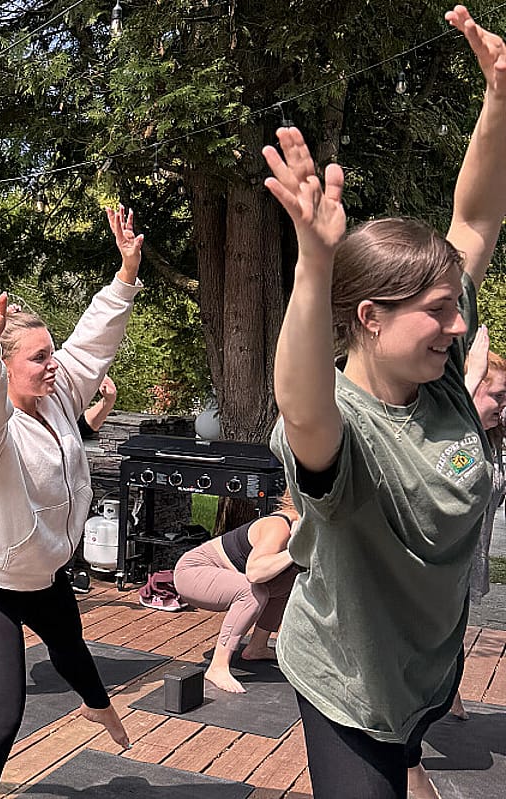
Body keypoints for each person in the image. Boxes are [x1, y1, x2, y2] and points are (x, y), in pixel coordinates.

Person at [262, 7, 506, 797]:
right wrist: (313, 262)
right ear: (368, 317)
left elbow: (472, 219)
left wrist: (499, 102)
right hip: (349, 679)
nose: (459, 324)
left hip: (423, 663)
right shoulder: (347, 428)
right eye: (437, 310)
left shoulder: (437, 375)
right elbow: (301, 408)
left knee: (408, 759)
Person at [0, 206, 142, 799]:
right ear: (4, 366)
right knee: (3, 717)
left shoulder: (58, 395)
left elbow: (90, 343)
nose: (52, 363)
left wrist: (125, 272)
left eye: (49, 352)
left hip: (45, 572)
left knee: (72, 649)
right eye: (37, 356)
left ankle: (99, 707)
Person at [172, 493, 300, 693]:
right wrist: (294, 551)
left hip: (221, 575)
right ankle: (218, 667)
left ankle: (257, 647)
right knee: (253, 591)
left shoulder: (302, 528)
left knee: (286, 580)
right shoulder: (279, 526)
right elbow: (255, 572)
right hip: (191, 574)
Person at [450, 325, 506, 719]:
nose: (504, 406)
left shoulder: (493, 440)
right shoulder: (455, 437)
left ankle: (448, 691)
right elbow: (449, 479)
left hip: (470, 558)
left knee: (453, 633)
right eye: (499, 396)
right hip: (437, 563)